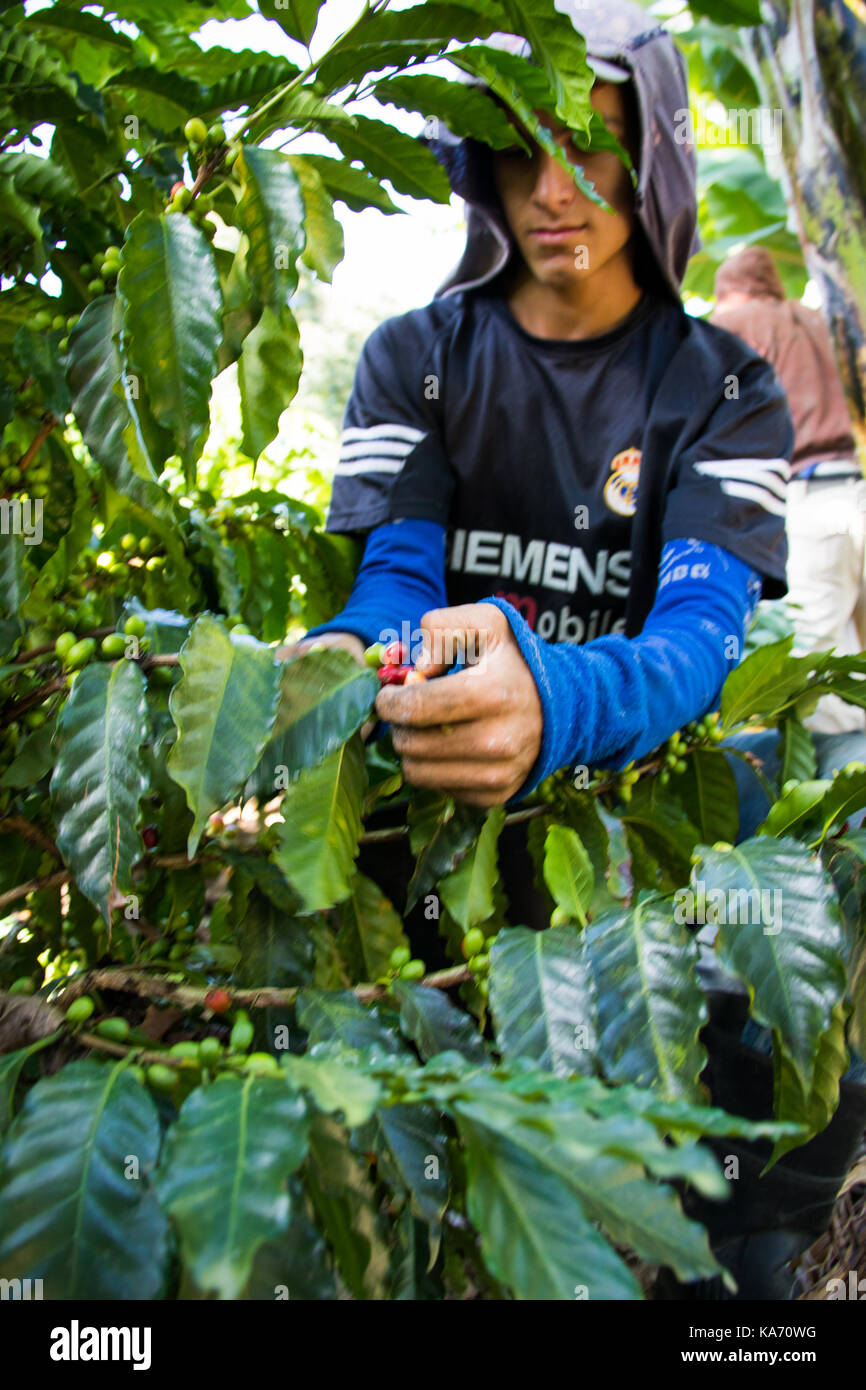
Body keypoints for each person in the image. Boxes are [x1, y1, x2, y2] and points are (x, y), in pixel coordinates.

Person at [297, 1, 866, 1299]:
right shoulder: (414, 359)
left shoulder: (723, 387)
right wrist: (332, 666)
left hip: (637, 816)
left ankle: (744, 1266)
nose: (554, 190)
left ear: (652, 151)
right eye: (519, 146)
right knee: (449, 1074)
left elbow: (695, 638)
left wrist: (552, 697)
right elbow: (394, 584)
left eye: (593, 146)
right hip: (442, 828)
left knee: (746, 1068)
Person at [711, 245, 866, 738]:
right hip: (857, 483)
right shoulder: (823, 320)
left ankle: (839, 781)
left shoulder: (734, 322)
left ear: (730, 291)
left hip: (811, 502)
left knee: (816, 663)